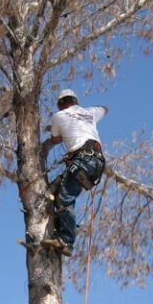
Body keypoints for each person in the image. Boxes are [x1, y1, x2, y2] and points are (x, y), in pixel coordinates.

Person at [41, 89, 108, 257]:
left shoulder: (59, 116)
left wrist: (51, 130)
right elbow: (104, 108)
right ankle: (64, 225)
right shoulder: (90, 113)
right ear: (76, 101)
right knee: (56, 188)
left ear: (61, 104)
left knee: (65, 199)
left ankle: (66, 241)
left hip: (83, 161)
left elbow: (55, 139)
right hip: (97, 163)